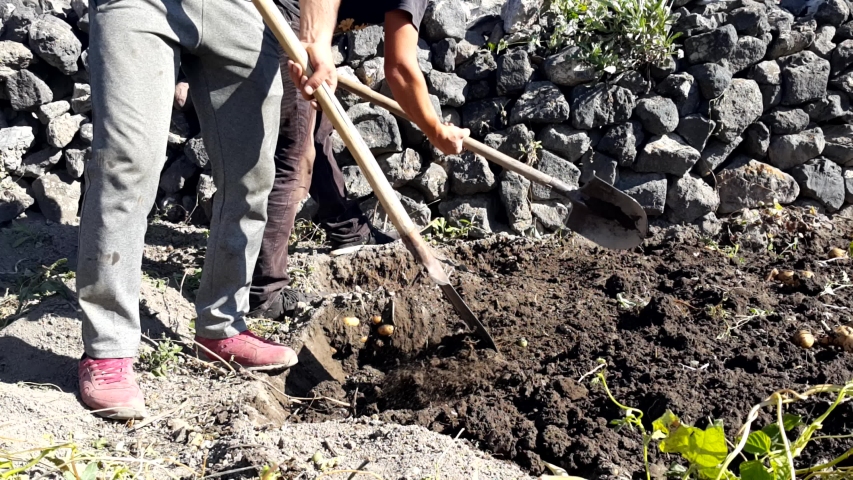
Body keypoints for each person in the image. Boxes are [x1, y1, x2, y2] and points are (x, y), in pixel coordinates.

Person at [76, 0, 339, 419]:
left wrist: (316, 37)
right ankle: (108, 347)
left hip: (240, 9)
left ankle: (222, 326)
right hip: (141, 5)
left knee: (252, 172)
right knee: (126, 165)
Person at [246, 0, 472, 321]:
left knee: (317, 129)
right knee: (293, 151)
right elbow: (400, 68)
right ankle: (264, 294)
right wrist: (435, 129)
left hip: (296, 21)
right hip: (280, 18)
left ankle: (345, 227)